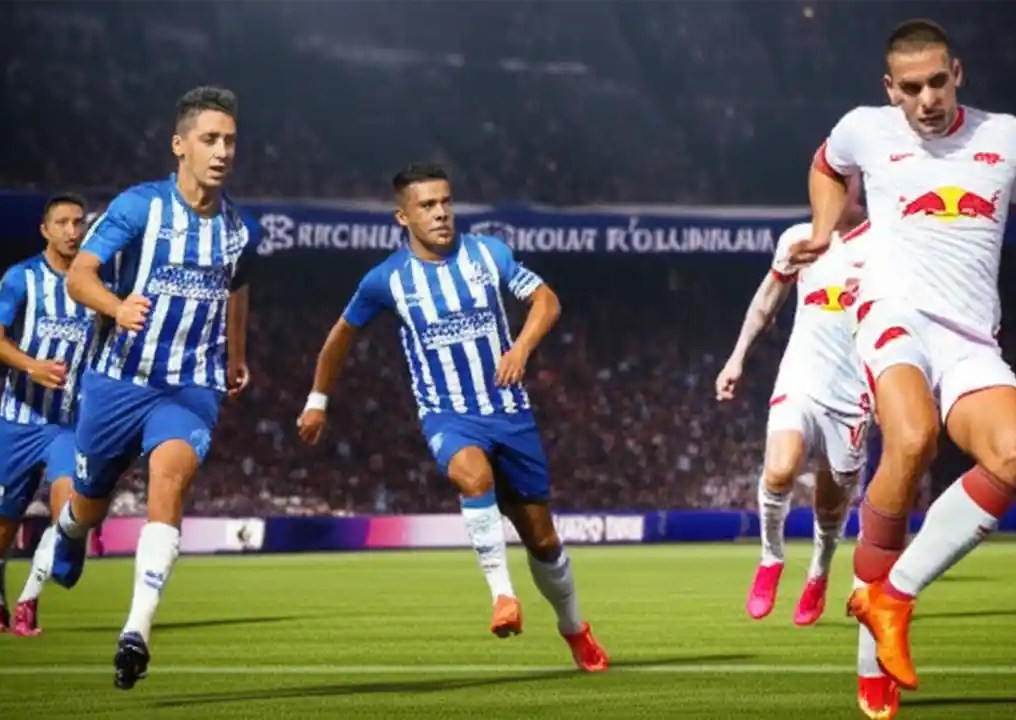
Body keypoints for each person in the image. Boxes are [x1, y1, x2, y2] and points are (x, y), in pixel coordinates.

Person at [794, 18, 1016, 706]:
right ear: (889, 90)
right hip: (891, 313)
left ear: (957, 72)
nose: (927, 98)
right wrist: (823, 227)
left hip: (969, 337)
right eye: (912, 87)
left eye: (938, 81)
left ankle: (891, 596)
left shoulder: (1007, 137)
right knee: (913, 437)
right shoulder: (864, 128)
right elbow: (824, 165)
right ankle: (872, 663)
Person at [297, 162, 608, 672]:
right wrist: (317, 400)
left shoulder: (489, 254)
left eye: (445, 202)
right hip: (447, 414)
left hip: (509, 414)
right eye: (427, 206)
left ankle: (575, 629)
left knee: (544, 540)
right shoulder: (386, 280)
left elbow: (546, 301)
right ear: (403, 217)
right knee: (472, 475)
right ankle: (502, 597)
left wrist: (522, 348)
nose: (441, 213)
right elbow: (340, 337)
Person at [55, 85, 257, 690]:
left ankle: (136, 632)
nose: (222, 151)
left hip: (190, 384)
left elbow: (238, 287)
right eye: (209, 139)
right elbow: (79, 277)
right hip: (117, 382)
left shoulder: (238, 229)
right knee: (89, 502)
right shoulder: (139, 208)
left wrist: (237, 354)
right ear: (180, 145)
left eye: (230, 141)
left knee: (170, 479)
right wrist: (116, 308)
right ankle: (69, 529)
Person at [715, 174, 871, 628]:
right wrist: (736, 358)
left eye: (846, 184)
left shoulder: (884, 244)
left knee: (830, 502)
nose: (835, 193)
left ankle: (819, 572)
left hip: (853, 393)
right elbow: (767, 300)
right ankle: (771, 558)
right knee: (779, 469)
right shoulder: (799, 240)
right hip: (800, 376)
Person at [0, 192, 94, 636]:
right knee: (5, 522)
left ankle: (28, 602)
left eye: (78, 223)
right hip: (20, 421)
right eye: (62, 223)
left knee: (68, 512)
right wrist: (32, 366)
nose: (72, 231)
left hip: (68, 423)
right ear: (45, 230)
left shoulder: (95, 284)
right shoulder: (22, 278)